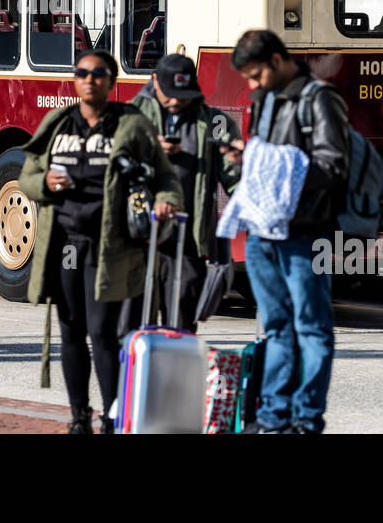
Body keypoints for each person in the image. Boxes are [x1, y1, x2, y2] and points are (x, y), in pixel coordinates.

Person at [20, 50, 183, 434]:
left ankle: (113, 416)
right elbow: (27, 174)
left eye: (99, 73)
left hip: (109, 247)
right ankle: (79, 417)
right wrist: (43, 184)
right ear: (75, 80)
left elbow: (166, 179)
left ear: (111, 81)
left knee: (102, 332)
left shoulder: (130, 124)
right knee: (71, 328)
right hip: (68, 247)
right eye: (82, 73)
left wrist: (164, 202)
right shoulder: (58, 123)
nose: (90, 79)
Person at [226, 29, 349, 433]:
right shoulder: (265, 99)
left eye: (256, 74)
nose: (252, 85)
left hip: (304, 235)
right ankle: (272, 418)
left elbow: (334, 167)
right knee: (277, 326)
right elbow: (265, 159)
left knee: (312, 329)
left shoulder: (320, 99)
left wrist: (274, 166)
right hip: (264, 235)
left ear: (278, 61)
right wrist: (249, 159)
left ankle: (307, 419)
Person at [129, 53, 241, 331]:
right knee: (132, 327)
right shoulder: (132, 116)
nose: (177, 101)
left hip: (188, 242)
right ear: (154, 81)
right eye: (170, 95)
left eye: (184, 94)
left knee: (181, 327)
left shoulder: (216, 124)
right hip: (138, 240)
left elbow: (235, 179)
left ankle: (176, 374)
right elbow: (110, 166)